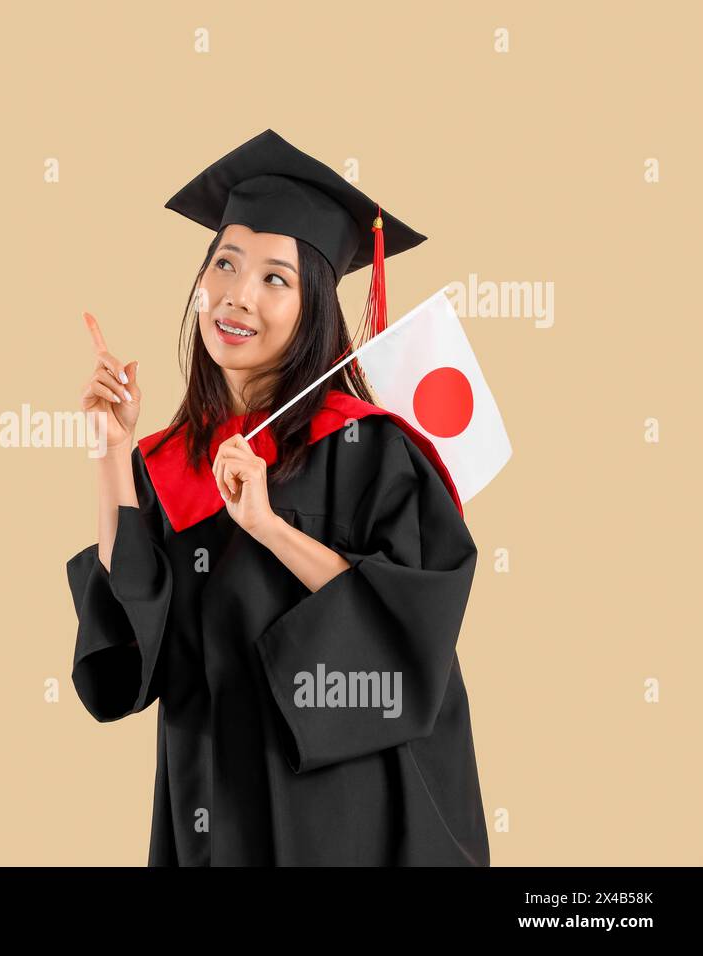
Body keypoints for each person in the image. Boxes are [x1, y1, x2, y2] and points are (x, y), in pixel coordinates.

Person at [65, 127, 490, 866]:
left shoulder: (372, 450)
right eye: (224, 264)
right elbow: (136, 649)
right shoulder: (173, 464)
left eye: (274, 279)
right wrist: (112, 453)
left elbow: (411, 633)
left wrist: (265, 526)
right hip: (215, 808)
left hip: (356, 810)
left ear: (314, 308)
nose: (238, 295)